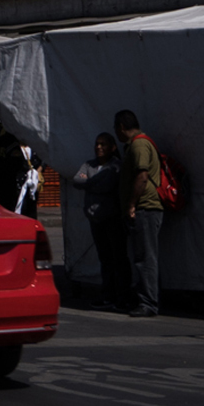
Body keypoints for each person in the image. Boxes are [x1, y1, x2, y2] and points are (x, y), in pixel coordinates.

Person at [72, 131, 129, 309]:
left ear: (112, 147)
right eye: (97, 143)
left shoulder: (116, 166)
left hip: (112, 219)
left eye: (103, 144)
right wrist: (95, 183)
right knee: (105, 258)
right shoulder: (89, 164)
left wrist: (89, 183)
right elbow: (76, 181)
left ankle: (122, 296)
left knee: (118, 258)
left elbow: (108, 185)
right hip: (95, 220)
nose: (99, 147)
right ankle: (107, 295)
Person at [117, 108, 163, 317]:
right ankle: (147, 298)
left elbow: (142, 176)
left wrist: (131, 205)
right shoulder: (137, 144)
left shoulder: (139, 145)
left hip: (145, 208)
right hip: (143, 208)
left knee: (145, 257)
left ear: (121, 127)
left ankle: (148, 303)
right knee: (144, 256)